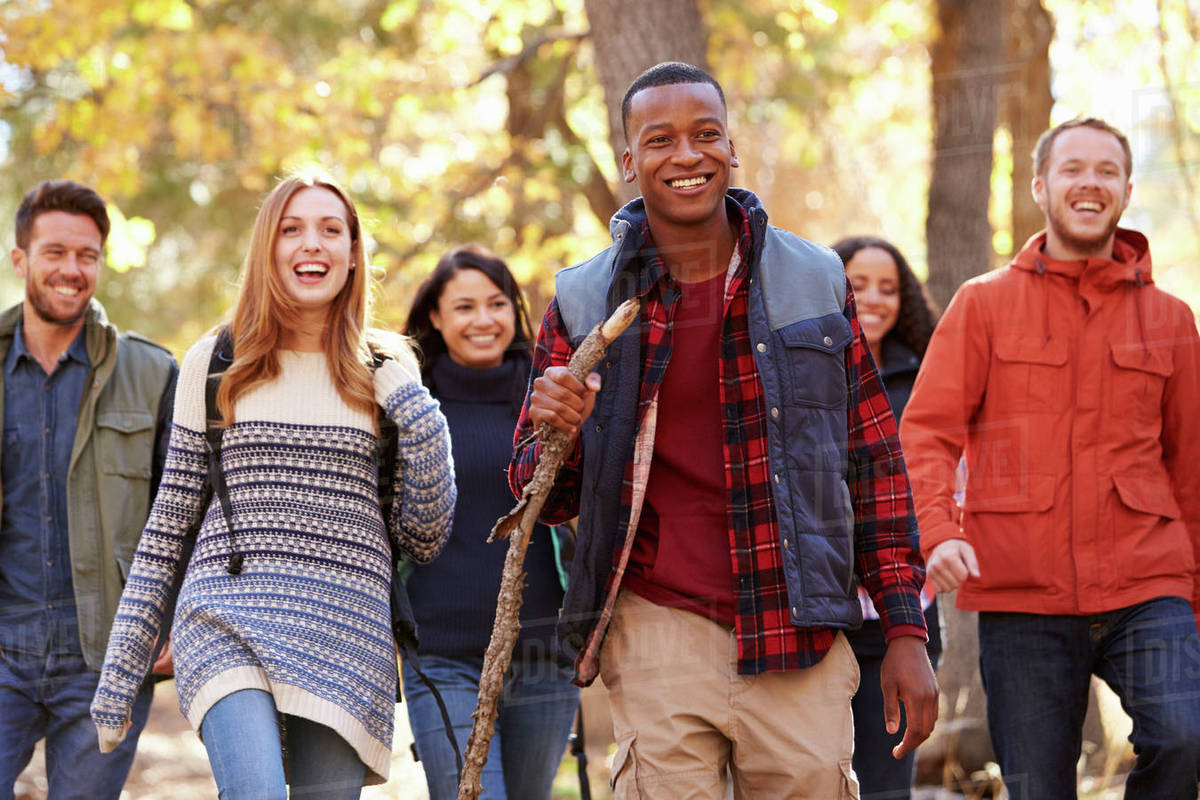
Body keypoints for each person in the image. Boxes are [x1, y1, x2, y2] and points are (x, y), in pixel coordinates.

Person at [509, 62, 937, 799]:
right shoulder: (584, 301)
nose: (686, 155)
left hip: (796, 619)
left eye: (705, 135)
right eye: (660, 139)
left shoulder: (814, 279)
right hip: (656, 622)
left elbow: (872, 461)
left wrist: (904, 627)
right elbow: (537, 492)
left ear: (731, 148)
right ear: (629, 160)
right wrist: (562, 430)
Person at [90, 173, 456, 798]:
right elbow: (171, 522)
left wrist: (419, 416)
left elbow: (423, 537)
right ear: (268, 248)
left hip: (346, 636)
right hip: (226, 615)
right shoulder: (218, 361)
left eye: (329, 230)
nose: (310, 244)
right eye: (292, 229)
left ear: (352, 253)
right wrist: (121, 669)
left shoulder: (389, 368)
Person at [901, 118, 1200, 799]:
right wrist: (939, 531)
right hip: (1023, 592)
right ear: (1041, 186)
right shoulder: (983, 304)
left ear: (1125, 190)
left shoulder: (1172, 319)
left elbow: (1191, 471)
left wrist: (1197, 601)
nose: (1089, 183)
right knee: (1038, 786)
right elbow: (926, 434)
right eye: (1072, 169)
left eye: (1106, 171)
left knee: (1186, 735)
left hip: (1147, 586)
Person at [0, 180, 177, 800]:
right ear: (20, 259)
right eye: (55, 253)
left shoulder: (152, 373)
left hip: (107, 653)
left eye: (87, 255)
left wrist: (177, 617)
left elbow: (185, 510)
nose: (72, 271)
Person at [401, 244, 579, 799]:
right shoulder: (406, 399)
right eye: (464, 307)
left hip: (543, 653)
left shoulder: (553, 392)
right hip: (441, 651)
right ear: (435, 316)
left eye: (497, 304)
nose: (483, 320)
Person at [832, 236, 942, 799]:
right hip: (818, 614)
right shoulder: (800, 372)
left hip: (901, 615)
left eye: (889, 288)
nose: (873, 298)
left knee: (882, 787)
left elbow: (951, 474)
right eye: (858, 283)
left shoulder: (926, 378)